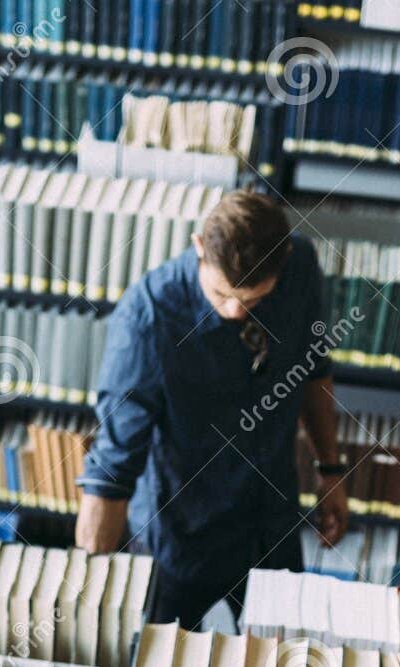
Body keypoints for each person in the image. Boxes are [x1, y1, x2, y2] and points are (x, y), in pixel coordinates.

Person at [75, 189, 348, 630]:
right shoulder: (147, 319)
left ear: (286, 259)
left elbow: (314, 369)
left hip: (268, 519)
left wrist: (331, 469)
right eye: (222, 293)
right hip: (178, 531)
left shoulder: (300, 269)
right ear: (199, 246)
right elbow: (110, 470)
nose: (235, 310)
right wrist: (88, 605)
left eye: (254, 299)